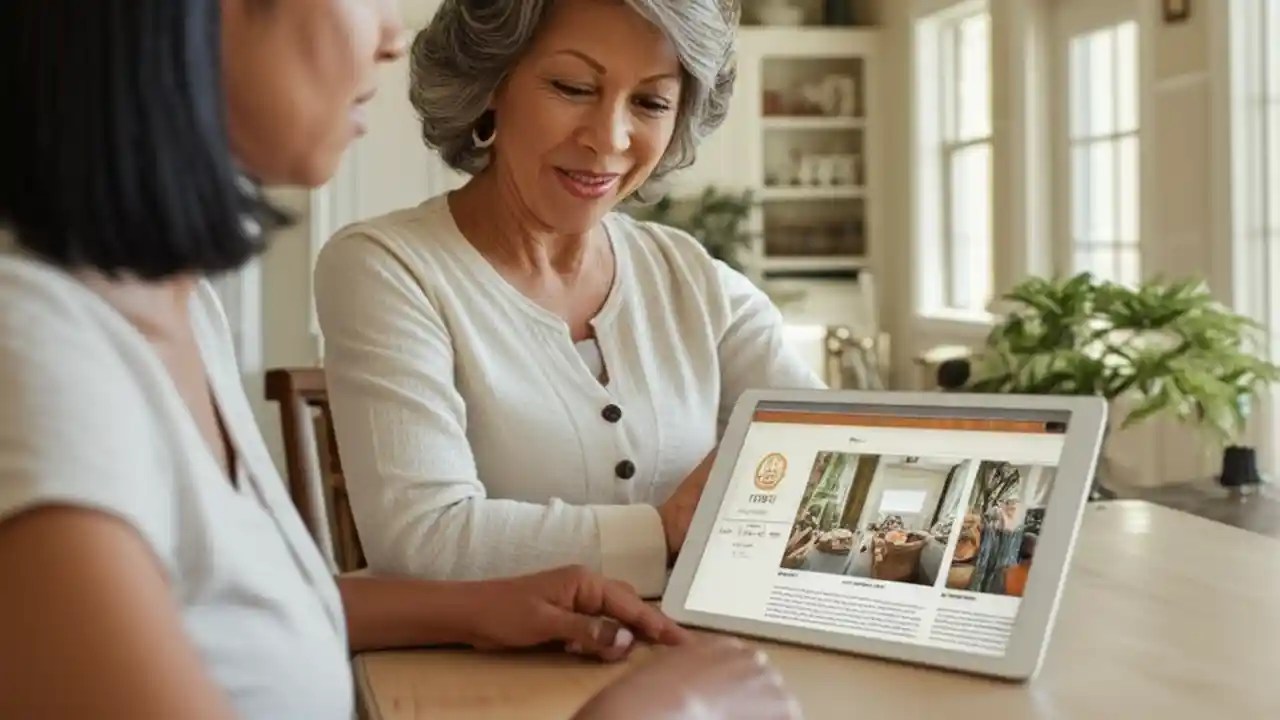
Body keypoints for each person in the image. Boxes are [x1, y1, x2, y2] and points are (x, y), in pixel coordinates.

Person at [0, 2, 799, 718]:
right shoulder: (35, 352)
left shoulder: (183, 308)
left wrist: (465, 606)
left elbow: (232, 611)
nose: (392, 33)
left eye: (651, 101)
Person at [313, 0, 825, 599]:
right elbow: (420, 543)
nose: (609, 138)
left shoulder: (693, 278)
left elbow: (829, 445)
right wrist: (663, 532)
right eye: (573, 87)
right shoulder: (387, 266)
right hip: (469, 685)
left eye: (651, 103)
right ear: (490, 84)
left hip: (691, 668)